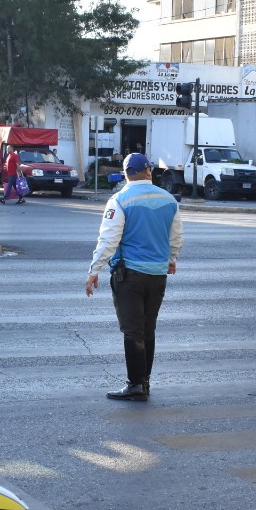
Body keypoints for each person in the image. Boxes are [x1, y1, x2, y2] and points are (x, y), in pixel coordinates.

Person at [85, 152, 183, 401]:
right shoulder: (169, 200)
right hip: (158, 276)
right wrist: (171, 260)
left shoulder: (119, 200)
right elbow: (176, 238)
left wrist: (94, 270)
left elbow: (109, 240)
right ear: (149, 171)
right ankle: (144, 382)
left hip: (129, 276)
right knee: (148, 329)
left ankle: (135, 385)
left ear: (127, 173)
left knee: (132, 331)